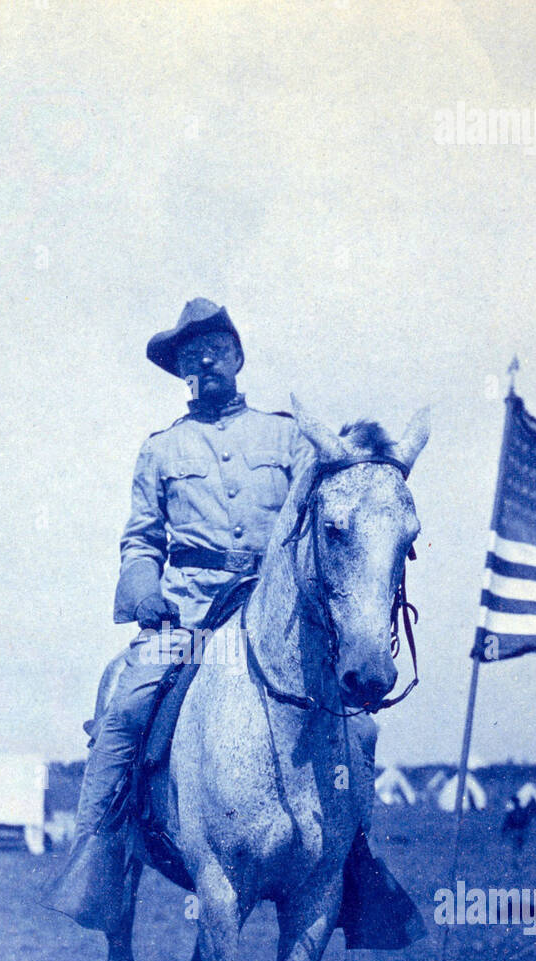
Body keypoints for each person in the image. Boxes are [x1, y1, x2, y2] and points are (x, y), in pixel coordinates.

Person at [47, 298, 344, 929]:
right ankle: (97, 852)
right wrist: (142, 585)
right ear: (180, 371)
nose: (203, 361)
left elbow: (320, 517)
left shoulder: (287, 436)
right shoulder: (162, 450)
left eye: (214, 350)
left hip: (273, 616)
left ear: (238, 357)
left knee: (358, 729)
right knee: (127, 706)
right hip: (188, 618)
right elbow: (141, 537)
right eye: (189, 357)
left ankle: (358, 870)